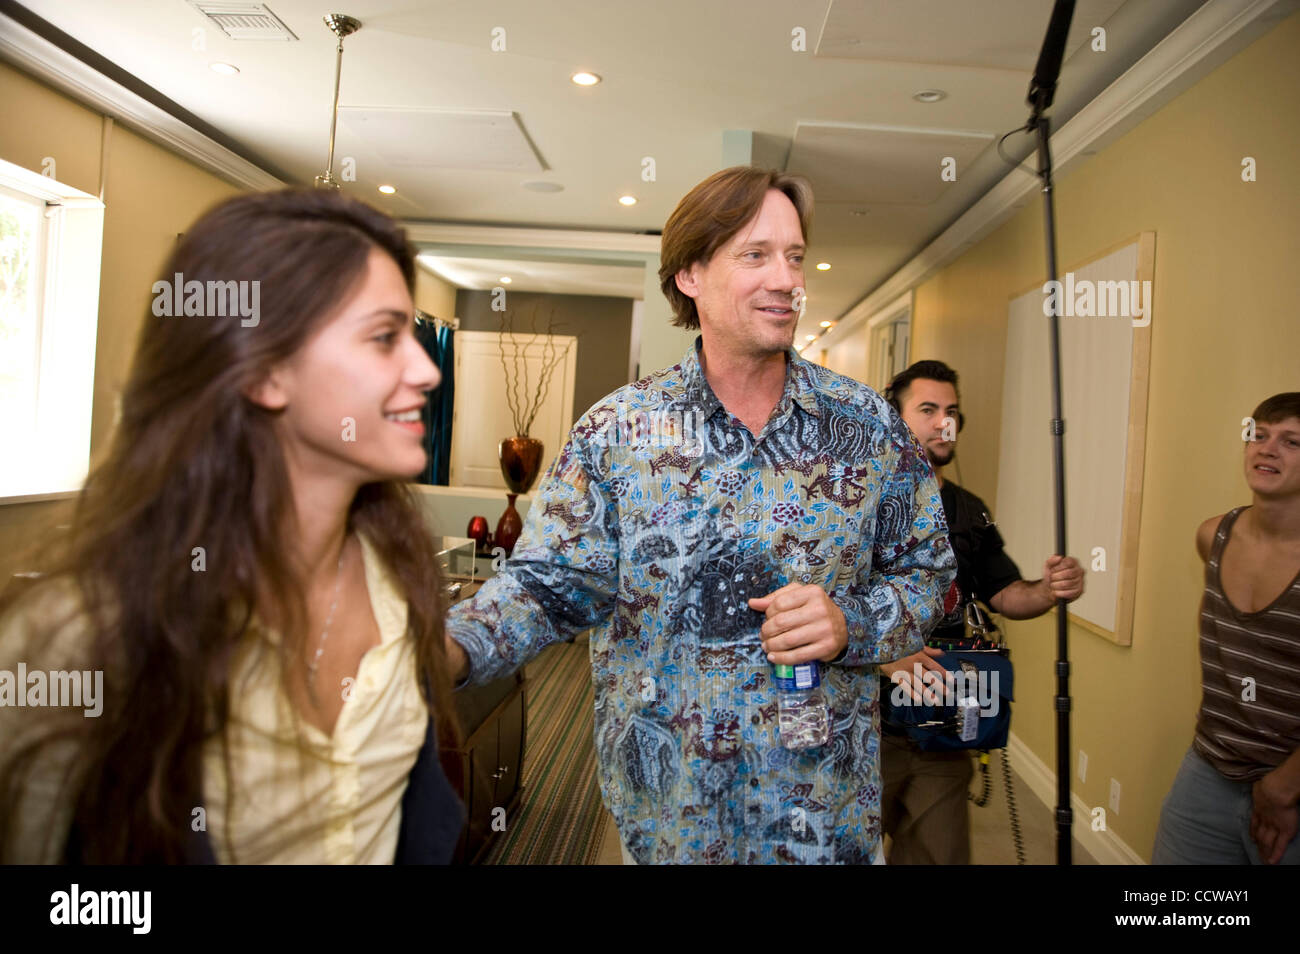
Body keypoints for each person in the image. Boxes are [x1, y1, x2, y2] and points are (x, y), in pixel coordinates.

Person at [444, 166, 956, 864]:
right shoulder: (617, 433)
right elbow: (548, 585)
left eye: (795, 257)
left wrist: (849, 624)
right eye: (755, 255)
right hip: (671, 821)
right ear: (690, 275)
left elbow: (926, 574)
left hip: (819, 817)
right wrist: (450, 647)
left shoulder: (866, 426)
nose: (787, 279)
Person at [0, 189, 464, 864]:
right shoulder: (83, 635)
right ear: (265, 371)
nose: (426, 370)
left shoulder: (401, 581)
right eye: (385, 337)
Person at [879, 359, 1084, 864]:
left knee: (939, 856)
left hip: (942, 722)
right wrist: (883, 655)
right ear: (893, 419)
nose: (943, 421)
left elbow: (1005, 592)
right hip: (860, 724)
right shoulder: (857, 500)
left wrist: (1049, 589)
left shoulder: (970, 509)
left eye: (951, 411)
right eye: (927, 409)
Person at [1152, 392, 1300, 865]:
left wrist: (1283, 788)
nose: (1267, 448)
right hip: (1209, 770)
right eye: (1257, 436)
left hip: (1291, 787)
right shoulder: (1212, 536)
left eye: (1291, 441)